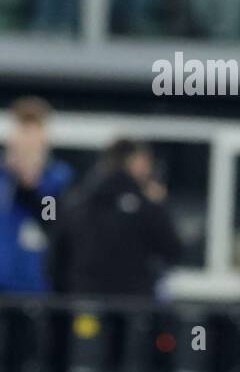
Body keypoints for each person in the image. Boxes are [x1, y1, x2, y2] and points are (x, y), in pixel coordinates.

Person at [47, 138, 181, 296]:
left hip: (85, 304)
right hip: (133, 309)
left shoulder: (77, 201)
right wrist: (159, 207)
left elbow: (56, 260)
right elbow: (173, 251)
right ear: (135, 163)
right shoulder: (147, 207)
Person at [0, 97, 74, 293]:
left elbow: (50, 218)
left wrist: (30, 182)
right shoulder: (3, 178)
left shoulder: (58, 177)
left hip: (38, 285)